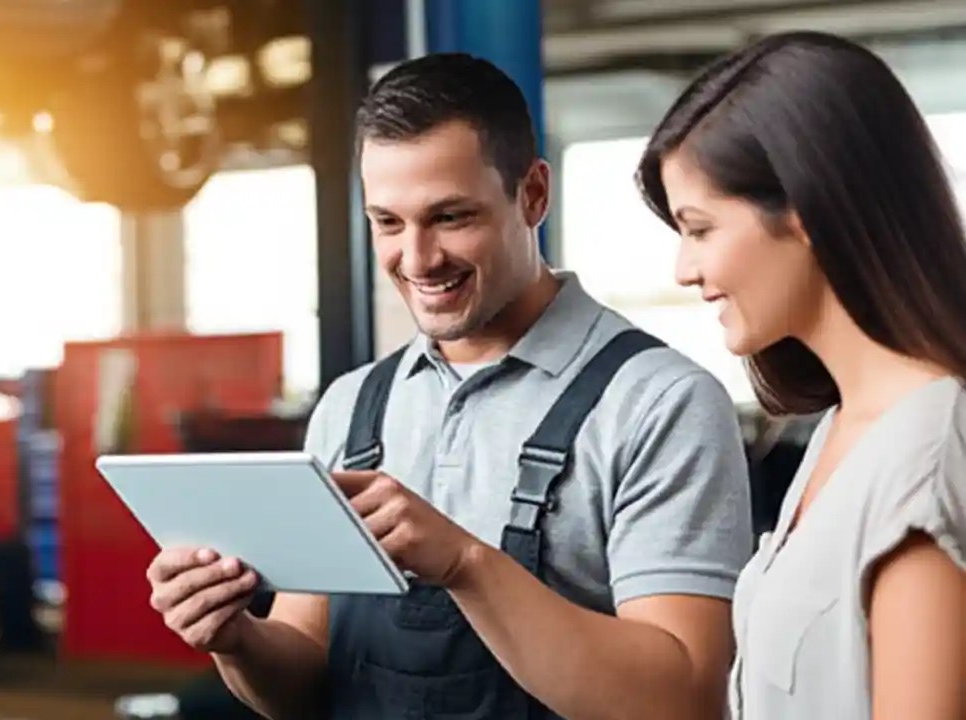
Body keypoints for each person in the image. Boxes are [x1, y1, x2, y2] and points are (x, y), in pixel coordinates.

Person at [146, 53, 753, 719]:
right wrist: (236, 638)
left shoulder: (659, 404)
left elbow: (683, 699)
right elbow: (305, 679)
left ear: (533, 195)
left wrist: (464, 561)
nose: (418, 259)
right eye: (388, 222)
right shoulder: (351, 408)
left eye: (451, 217)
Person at [636, 31, 966, 720]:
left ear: (806, 212)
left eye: (700, 229)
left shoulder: (926, 453)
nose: (684, 269)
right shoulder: (841, 431)